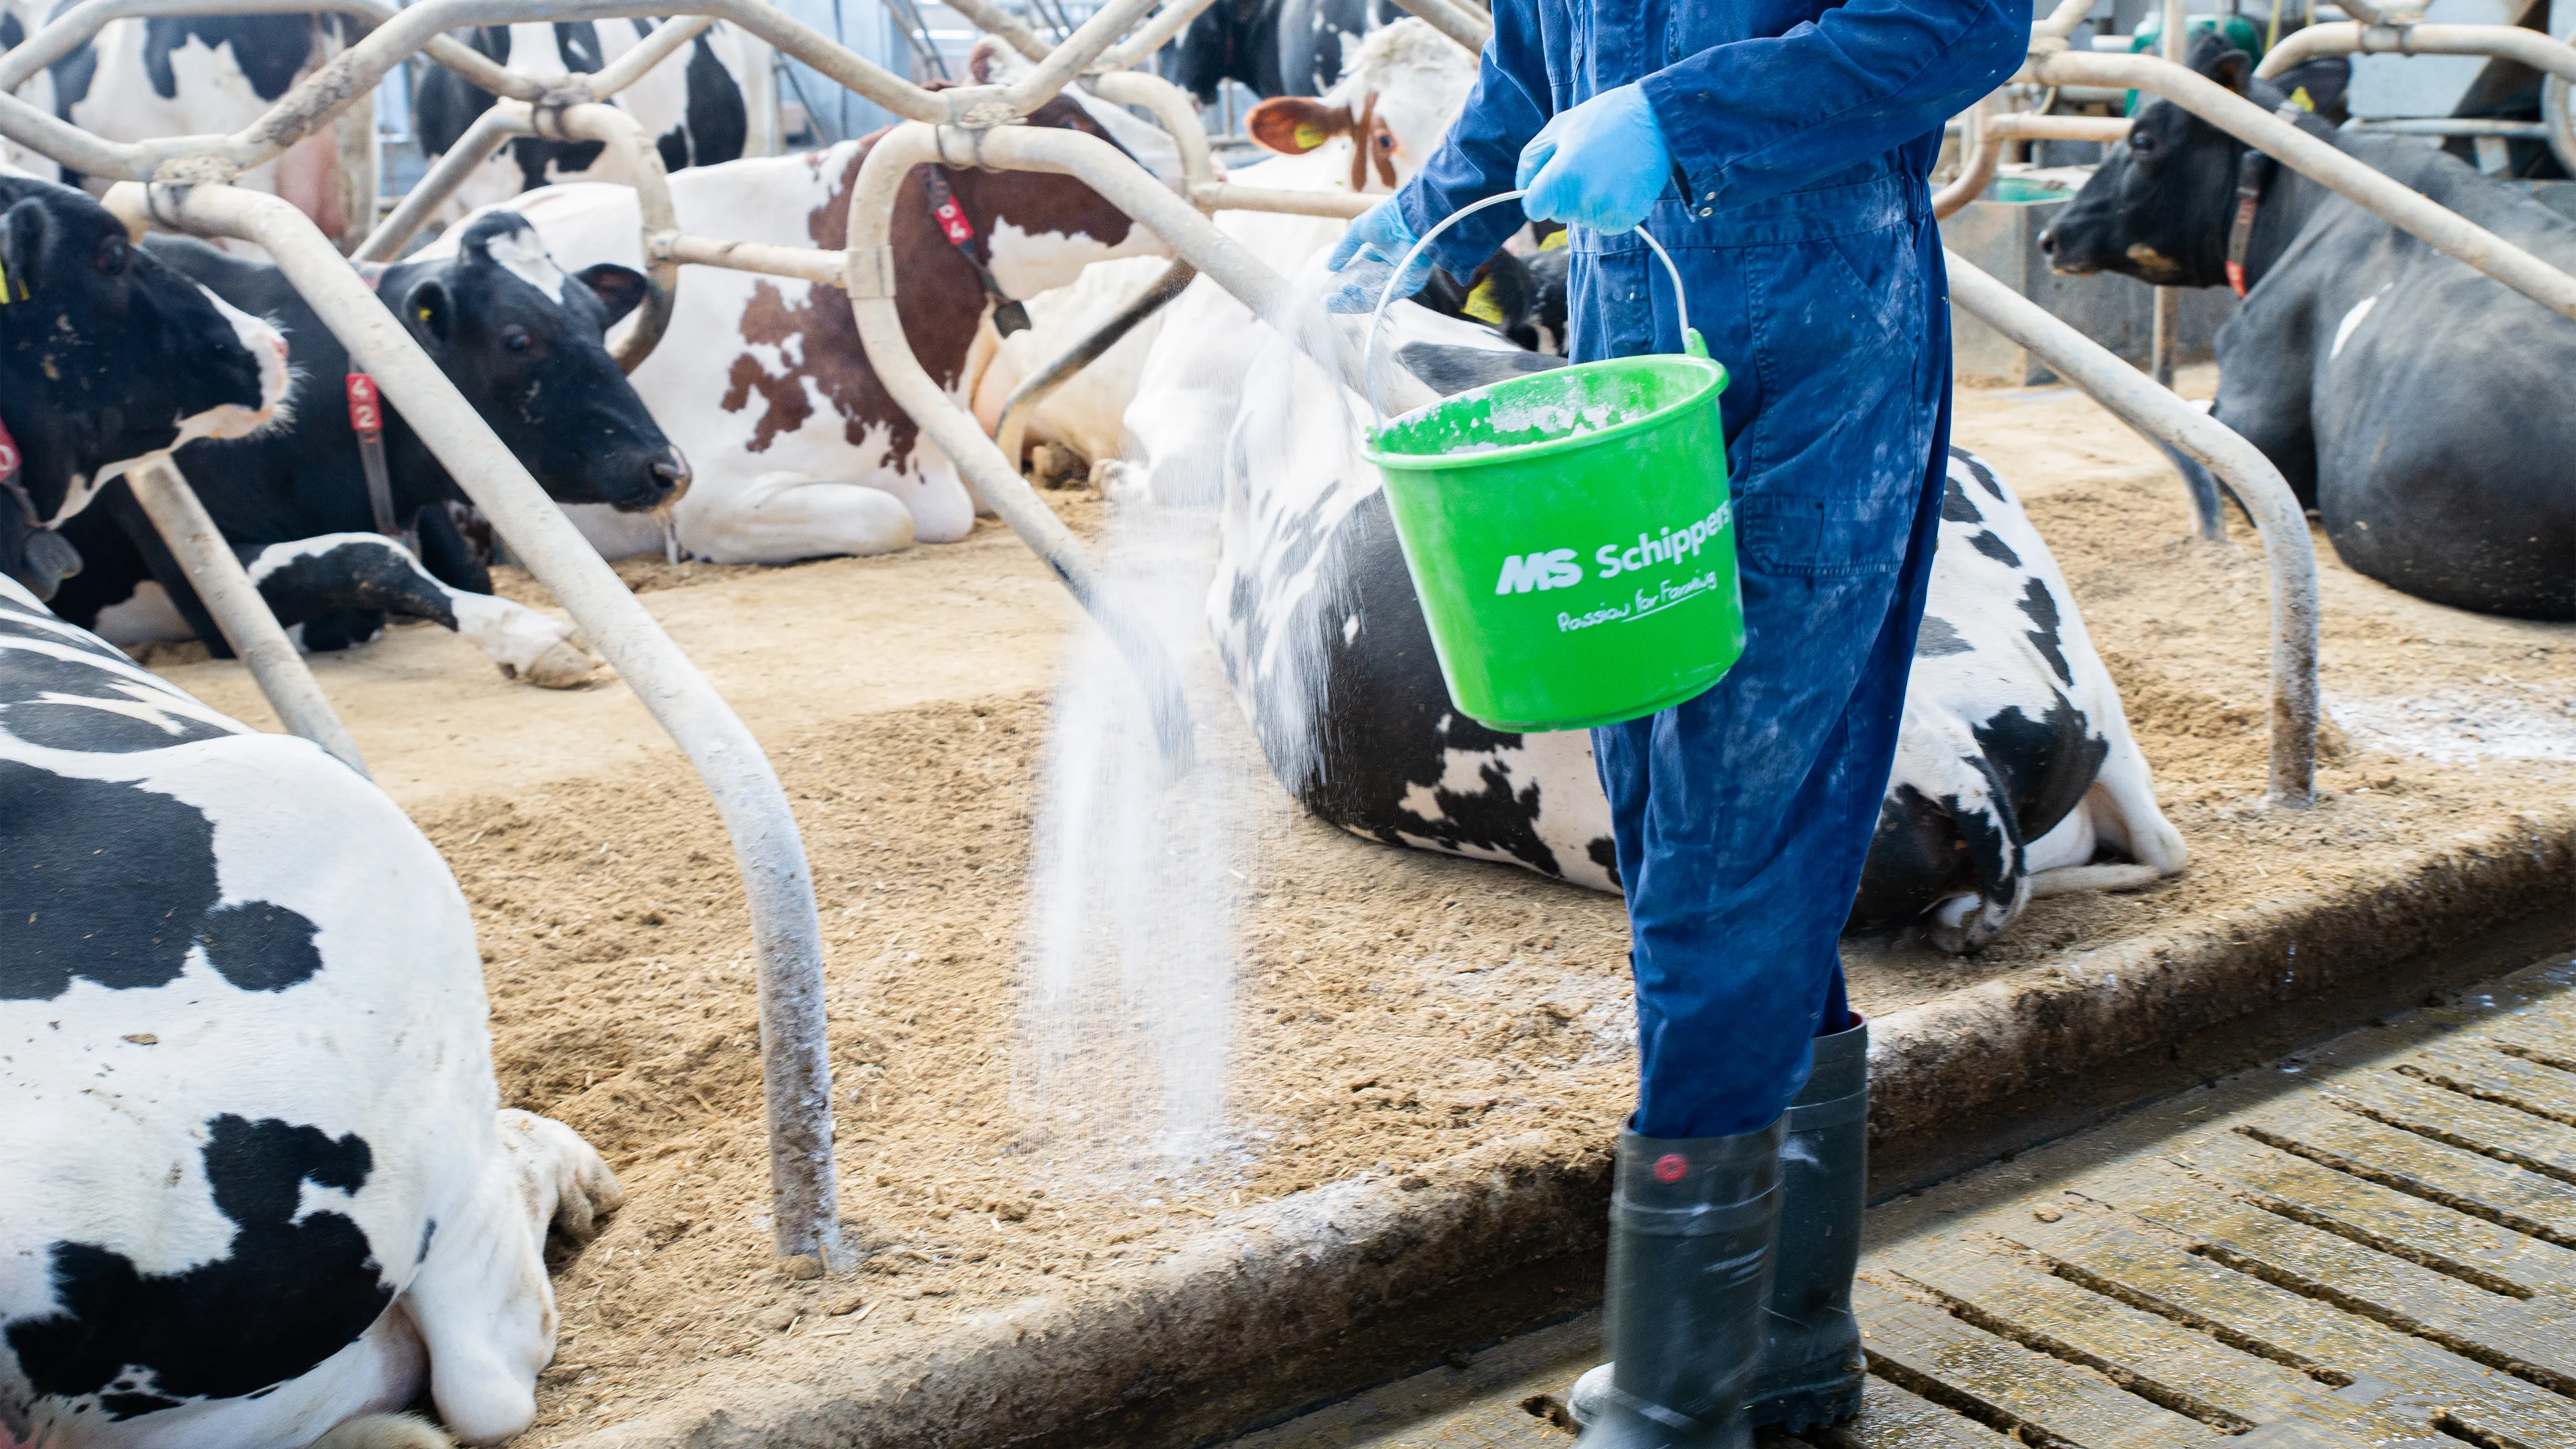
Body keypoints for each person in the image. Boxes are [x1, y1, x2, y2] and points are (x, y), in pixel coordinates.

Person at [1322, 2, 2029, 1444]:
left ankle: (1677, 1394)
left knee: (1725, 836)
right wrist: (1418, 233)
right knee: (1687, 832)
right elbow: (1529, 69)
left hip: (1817, 353)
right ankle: (1783, 1341)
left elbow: (1959, 25)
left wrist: (1677, 120)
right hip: (1630, 349)